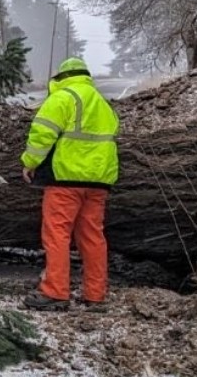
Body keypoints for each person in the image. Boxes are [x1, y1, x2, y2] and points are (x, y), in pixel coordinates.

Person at [18, 57, 120, 312]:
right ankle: (95, 296)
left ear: (61, 78)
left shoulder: (62, 98)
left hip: (66, 179)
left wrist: (29, 162)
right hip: (99, 181)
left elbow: (42, 134)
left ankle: (55, 292)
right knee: (93, 237)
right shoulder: (102, 104)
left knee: (57, 235)